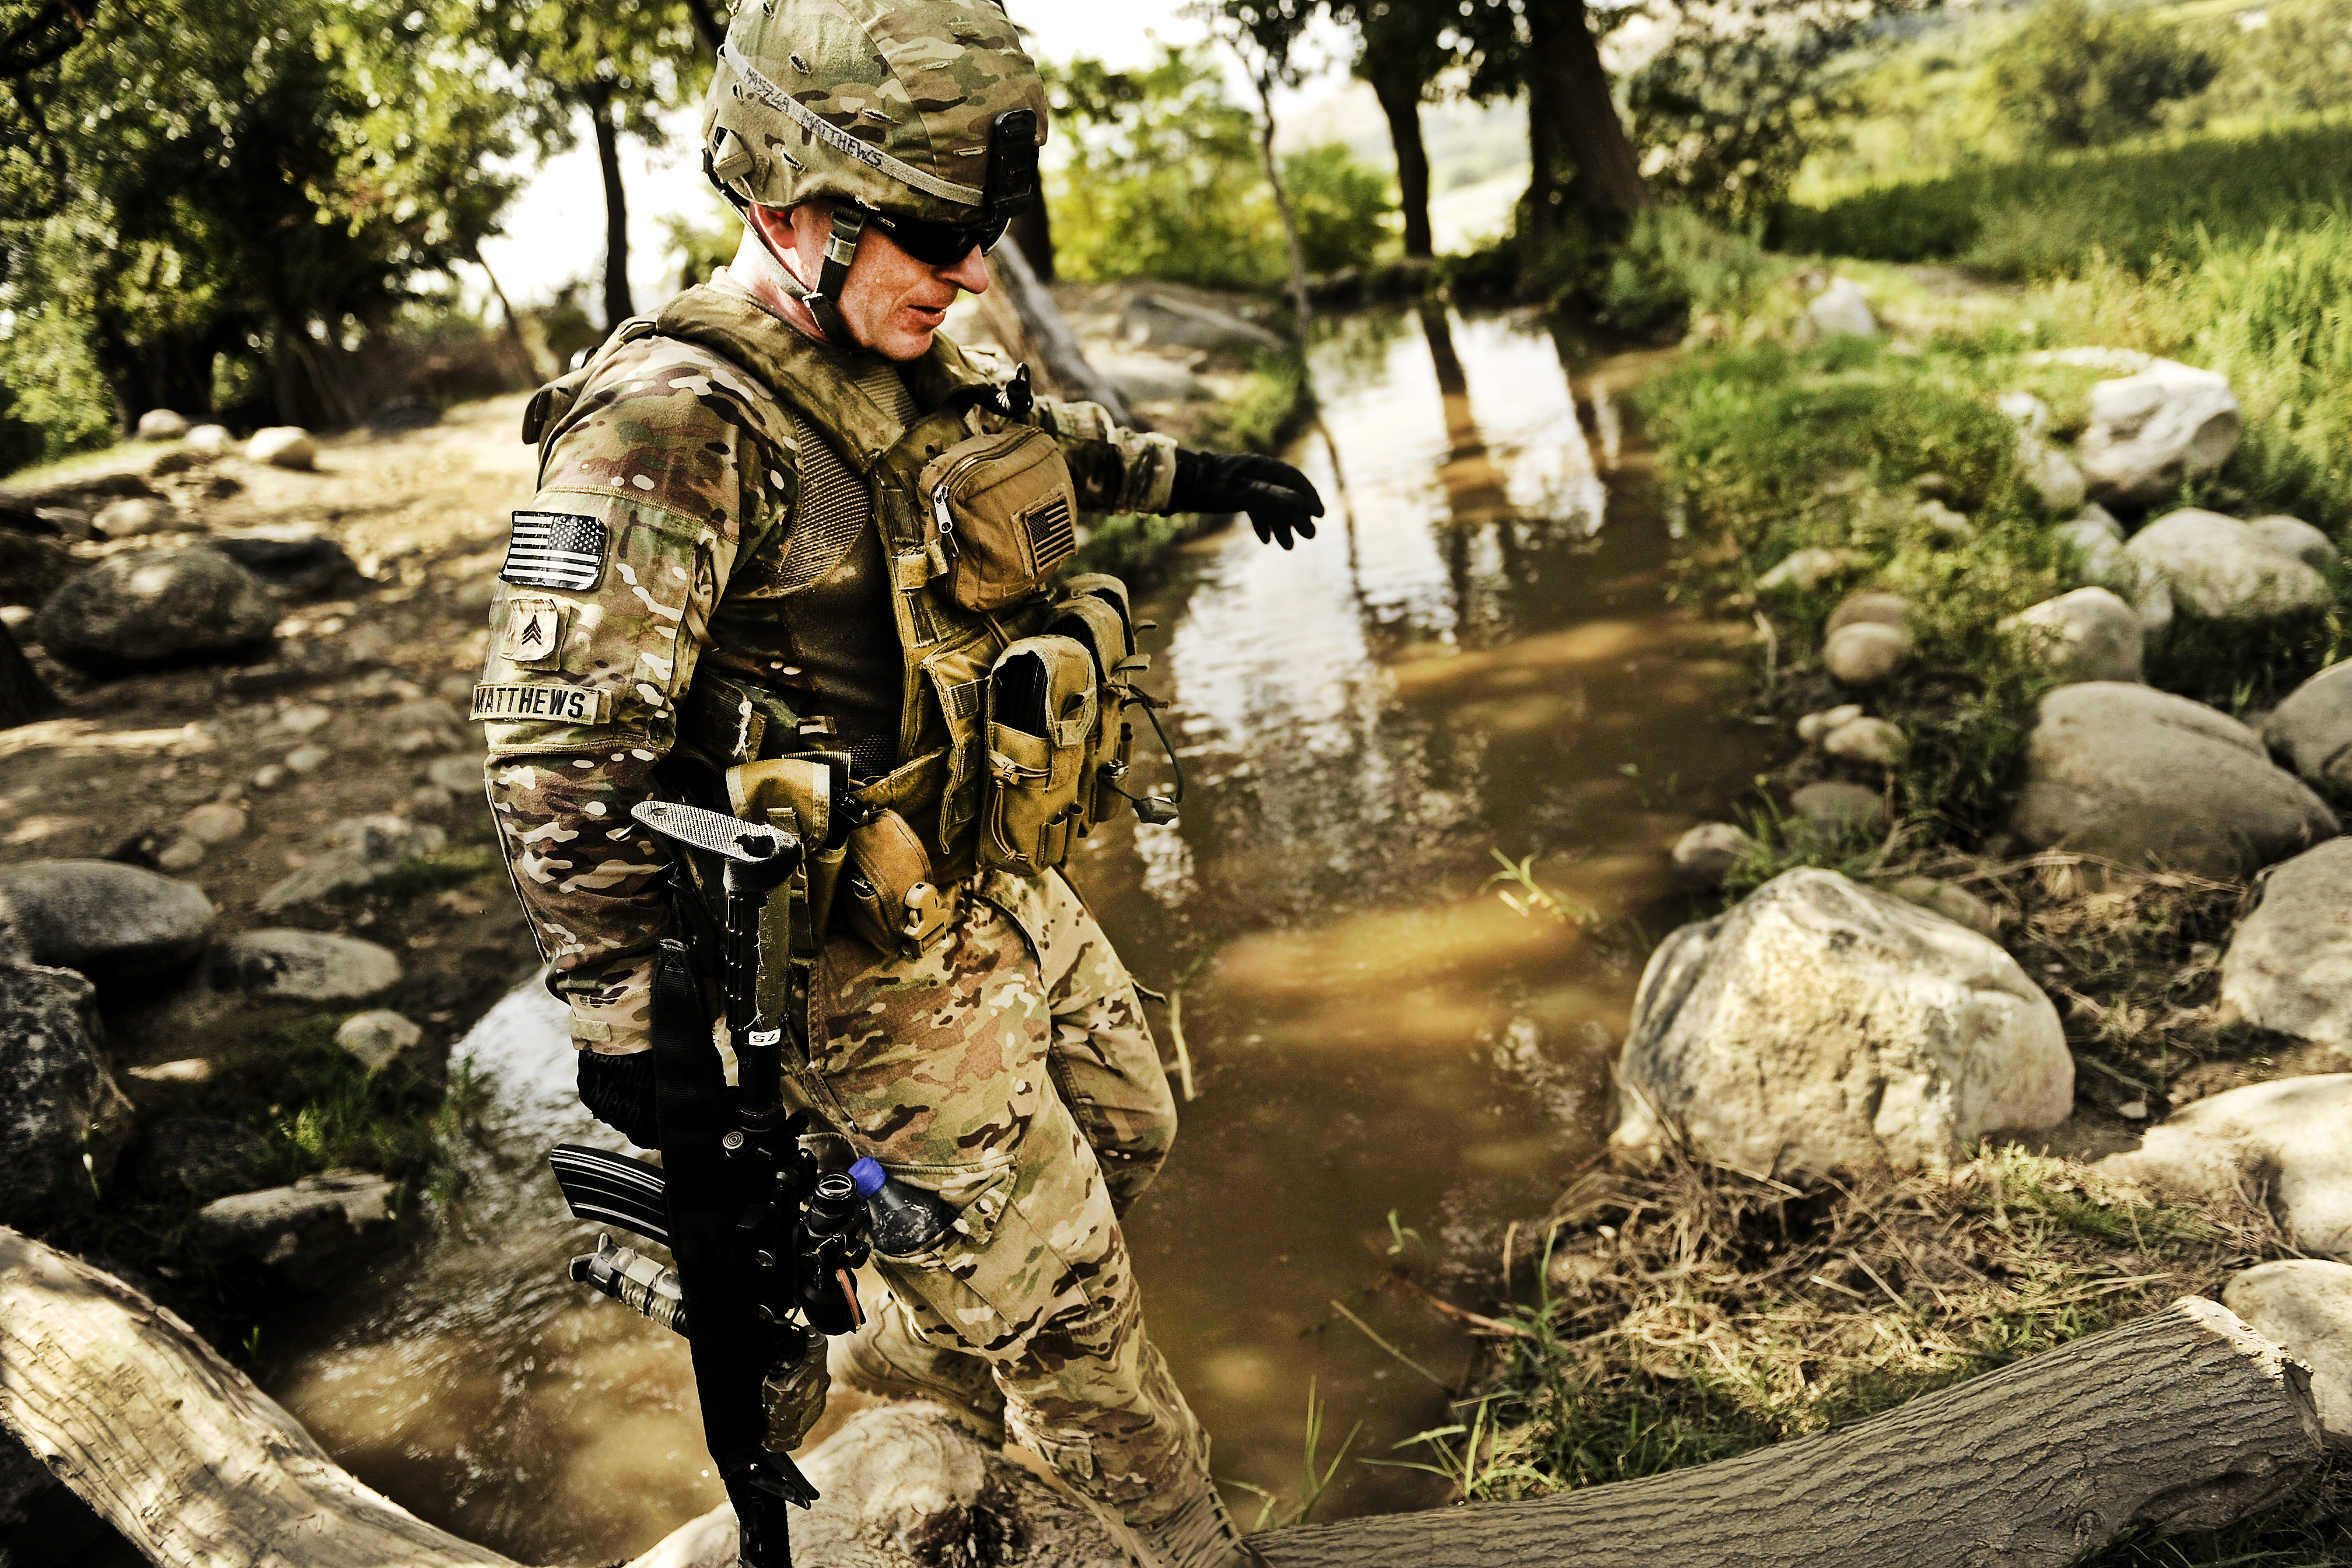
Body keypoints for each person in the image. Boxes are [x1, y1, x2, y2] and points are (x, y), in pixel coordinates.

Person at [471, 4, 1322, 1564]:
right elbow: (552, 749)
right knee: (1081, 1325)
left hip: (991, 884)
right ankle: (1168, 1539)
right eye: (939, 232)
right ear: (789, 205)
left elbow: (1027, 447)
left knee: (1135, 1126)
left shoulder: (906, 341)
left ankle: (930, 1380)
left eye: (987, 228)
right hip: (859, 977)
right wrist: (629, 1042)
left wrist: (1191, 475)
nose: (975, 269)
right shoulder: (671, 425)